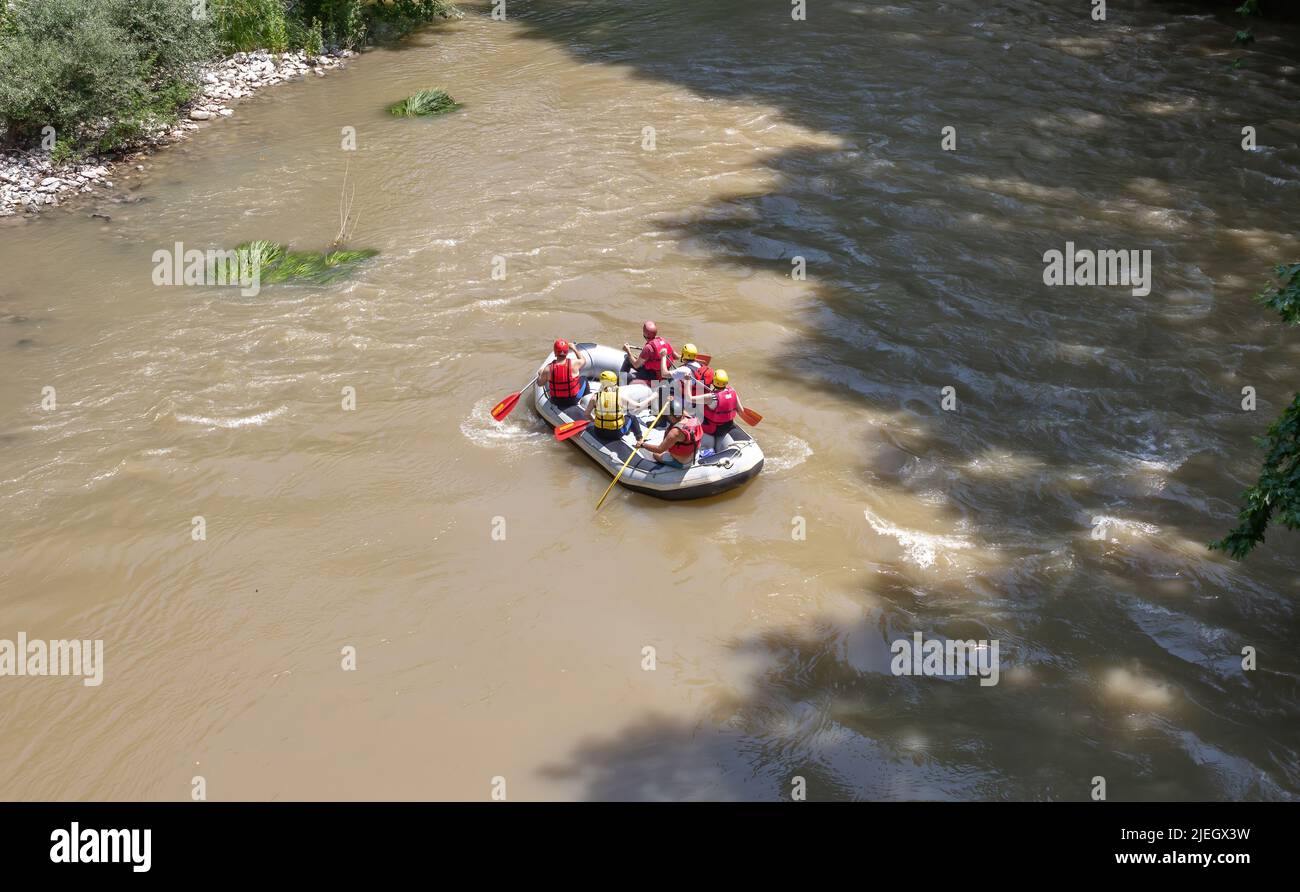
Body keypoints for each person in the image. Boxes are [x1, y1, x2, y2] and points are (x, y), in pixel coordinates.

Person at [583, 370, 650, 443]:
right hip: (616, 434)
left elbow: (586, 414)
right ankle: (639, 439)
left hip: (599, 432)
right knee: (631, 417)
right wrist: (652, 397)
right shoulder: (620, 397)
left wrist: (593, 420)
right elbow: (638, 406)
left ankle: (627, 431)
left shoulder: (595, 397)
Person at [637, 402, 703, 469]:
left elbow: (659, 449)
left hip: (683, 462)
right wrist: (671, 402)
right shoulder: (692, 419)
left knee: (655, 455)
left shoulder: (675, 432)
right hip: (694, 454)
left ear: (671, 416)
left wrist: (643, 444)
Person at [697, 368, 743, 446]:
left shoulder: (711, 397)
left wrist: (687, 381)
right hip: (728, 426)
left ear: (713, 381)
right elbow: (741, 411)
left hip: (713, 429)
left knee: (695, 411)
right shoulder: (733, 392)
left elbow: (689, 398)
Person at [537, 339, 587, 409]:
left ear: (555, 353)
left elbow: (539, 383)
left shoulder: (548, 369)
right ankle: (587, 401)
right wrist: (574, 348)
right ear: (567, 353)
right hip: (573, 400)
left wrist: (541, 373)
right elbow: (584, 360)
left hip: (556, 401)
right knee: (584, 378)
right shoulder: (574, 363)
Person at [624, 321, 675, 385]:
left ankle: (619, 385)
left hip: (653, 377)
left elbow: (636, 365)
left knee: (626, 376)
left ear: (644, 334)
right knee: (629, 359)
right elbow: (675, 356)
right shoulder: (664, 342)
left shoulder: (648, 348)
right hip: (661, 374)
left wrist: (628, 351)